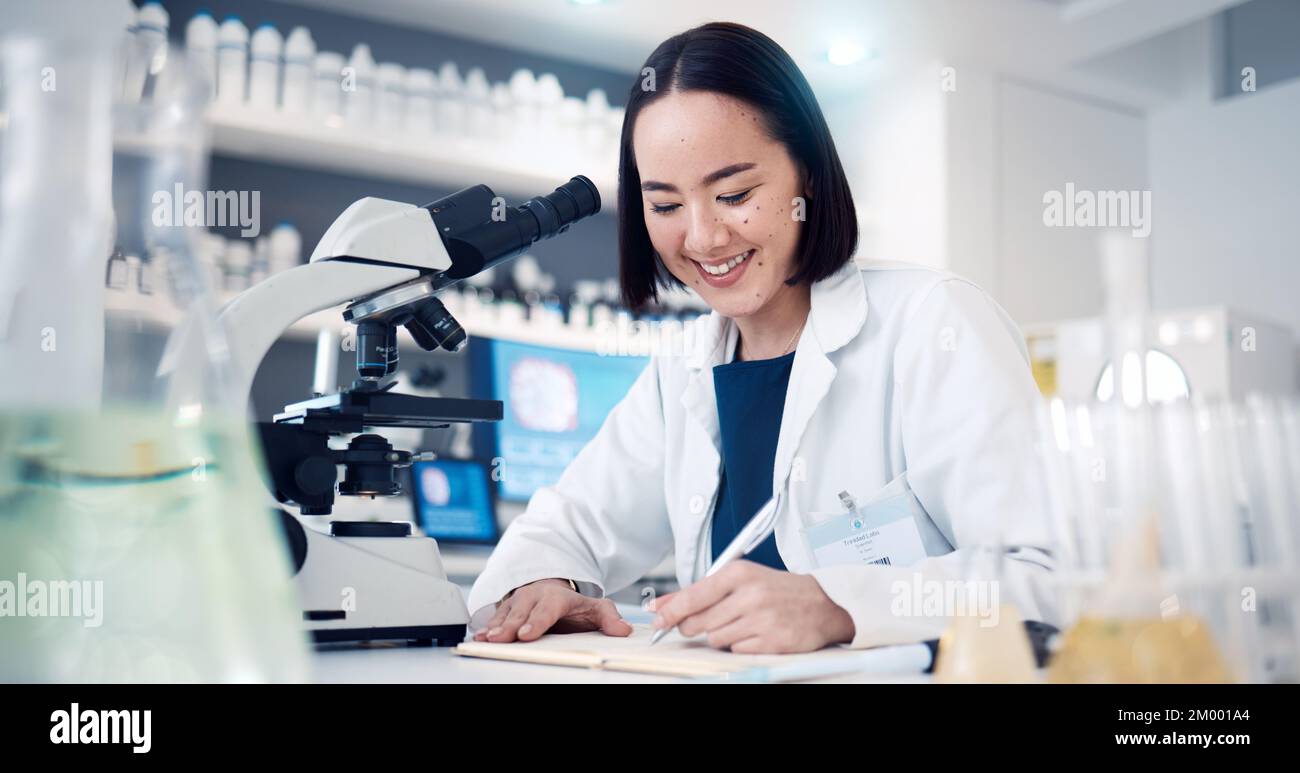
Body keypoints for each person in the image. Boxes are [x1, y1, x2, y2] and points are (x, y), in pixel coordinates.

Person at [466, 21, 1056, 653]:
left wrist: (836, 605)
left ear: (806, 173)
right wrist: (545, 583)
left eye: (734, 193)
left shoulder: (933, 323)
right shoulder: (683, 369)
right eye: (665, 206)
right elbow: (565, 526)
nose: (702, 238)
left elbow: (1044, 577)